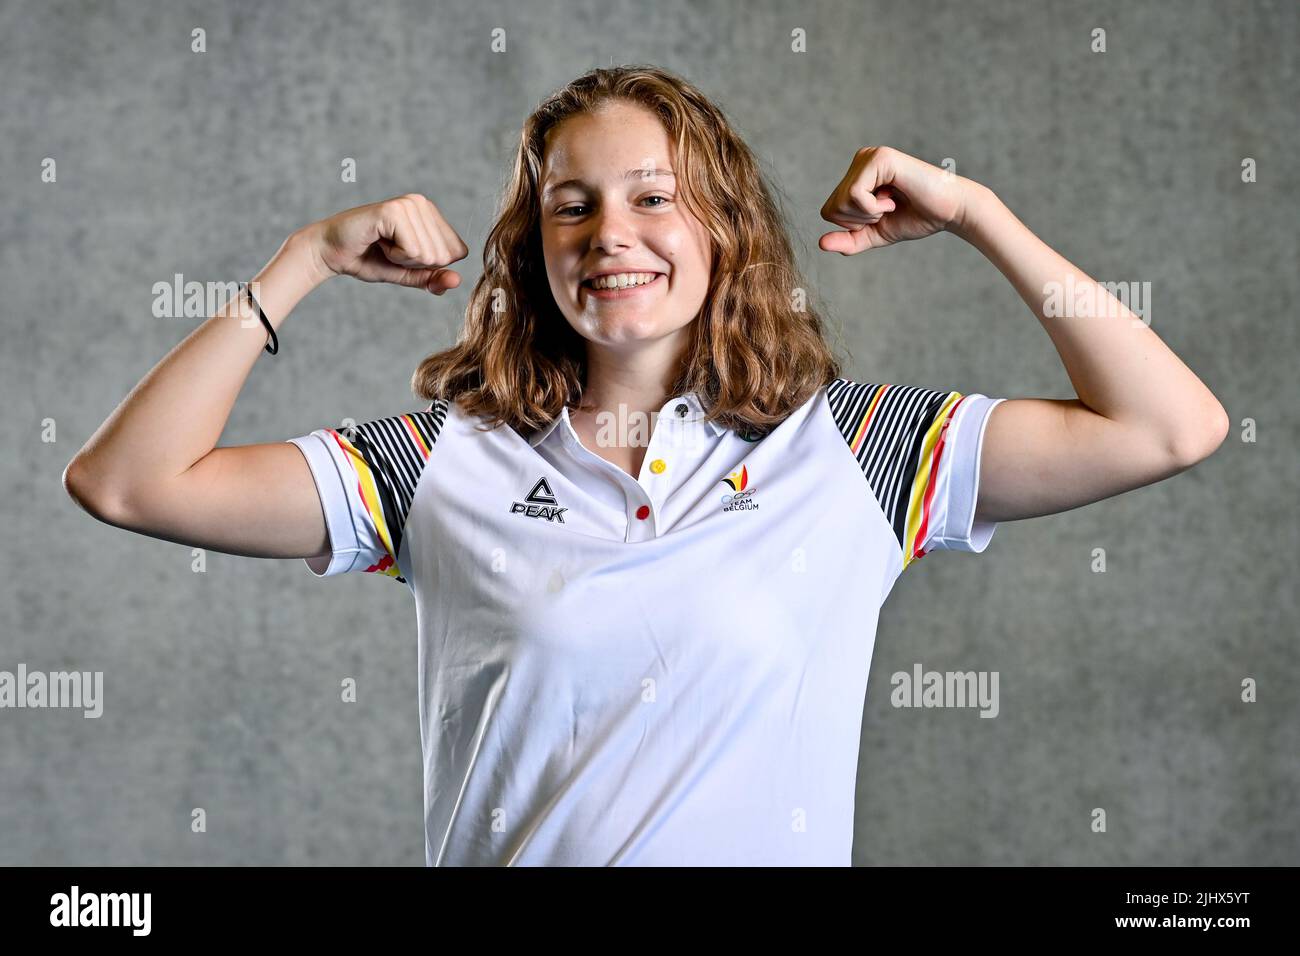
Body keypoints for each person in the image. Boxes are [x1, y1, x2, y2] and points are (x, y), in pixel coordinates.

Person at [62, 65, 1228, 866]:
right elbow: (128, 481)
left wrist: (975, 211)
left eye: (653, 197)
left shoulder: (860, 451)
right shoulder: (436, 461)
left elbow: (1167, 426)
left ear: (723, 229)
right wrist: (302, 259)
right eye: (570, 208)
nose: (610, 233)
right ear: (535, 252)